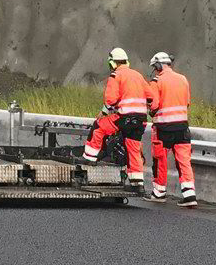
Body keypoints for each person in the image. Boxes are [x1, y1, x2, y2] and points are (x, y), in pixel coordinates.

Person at [83, 47, 150, 189]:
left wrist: (104, 112)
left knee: (99, 126)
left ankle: (89, 159)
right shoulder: (138, 75)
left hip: (124, 118)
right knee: (133, 148)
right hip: (141, 120)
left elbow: (111, 100)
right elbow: (151, 97)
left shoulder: (115, 75)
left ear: (113, 63)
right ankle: (137, 183)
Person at [147, 51, 197, 207]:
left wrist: (150, 111)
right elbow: (187, 102)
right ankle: (189, 195)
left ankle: (159, 193)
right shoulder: (183, 79)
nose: (155, 71)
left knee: (160, 161)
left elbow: (154, 105)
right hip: (182, 127)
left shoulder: (156, 81)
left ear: (158, 66)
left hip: (163, 128)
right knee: (184, 161)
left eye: (155, 67)